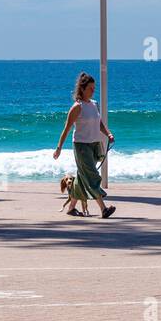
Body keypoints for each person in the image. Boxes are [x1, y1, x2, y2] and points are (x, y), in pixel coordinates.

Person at [53, 72, 117, 219]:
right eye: (90, 88)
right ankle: (103, 209)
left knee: (83, 178)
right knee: (91, 176)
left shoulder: (94, 104)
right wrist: (59, 147)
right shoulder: (77, 107)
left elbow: (99, 122)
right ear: (82, 89)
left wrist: (108, 134)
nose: (93, 90)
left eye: (94, 88)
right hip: (81, 147)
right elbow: (67, 128)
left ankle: (71, 208)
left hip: (95, 144)